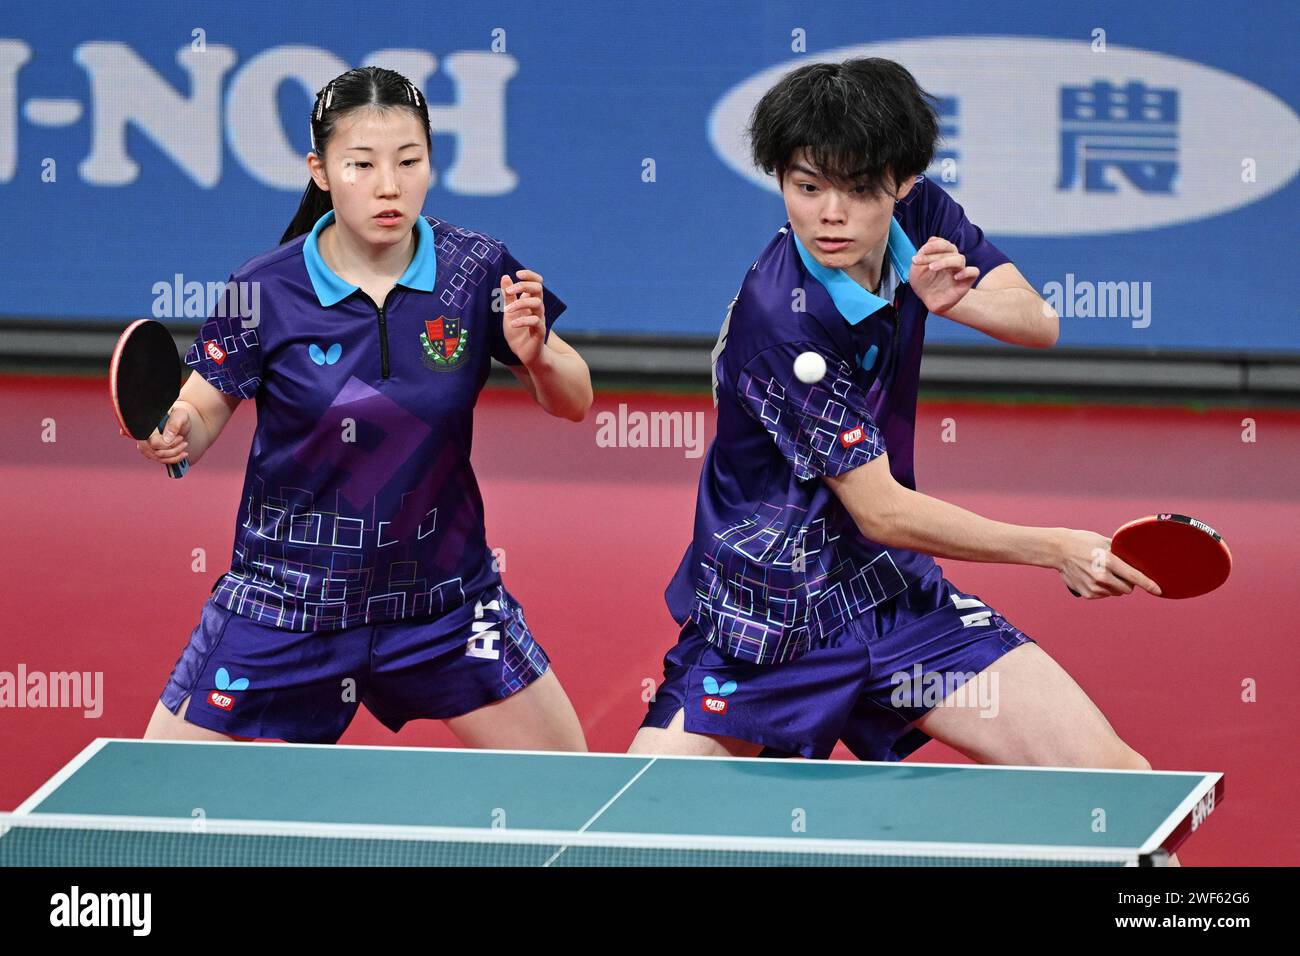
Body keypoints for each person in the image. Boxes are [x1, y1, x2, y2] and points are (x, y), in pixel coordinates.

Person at [631, 59, 1163, 776]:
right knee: (638, 820)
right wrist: (1055, 547)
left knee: (1119, 784)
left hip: (892, 594)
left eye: (857, 190)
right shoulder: (781, 319)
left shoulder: (919, 217)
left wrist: (956, 302)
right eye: (806, 186)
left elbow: (1038, 321)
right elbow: (880, 508)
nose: (830, 214)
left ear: (902, 181)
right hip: (769, 622)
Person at [138, 66, 591, 750]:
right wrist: (175, 432)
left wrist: (539, 357)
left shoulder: (476, 269)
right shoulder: (263, 288)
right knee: (158, 794)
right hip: (288, 602)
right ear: (320, 170)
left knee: (570, 781)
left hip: (444, 603)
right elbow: (200, 413)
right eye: (362, 164)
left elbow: (575, 401)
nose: (389, 185)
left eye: (409, 161)